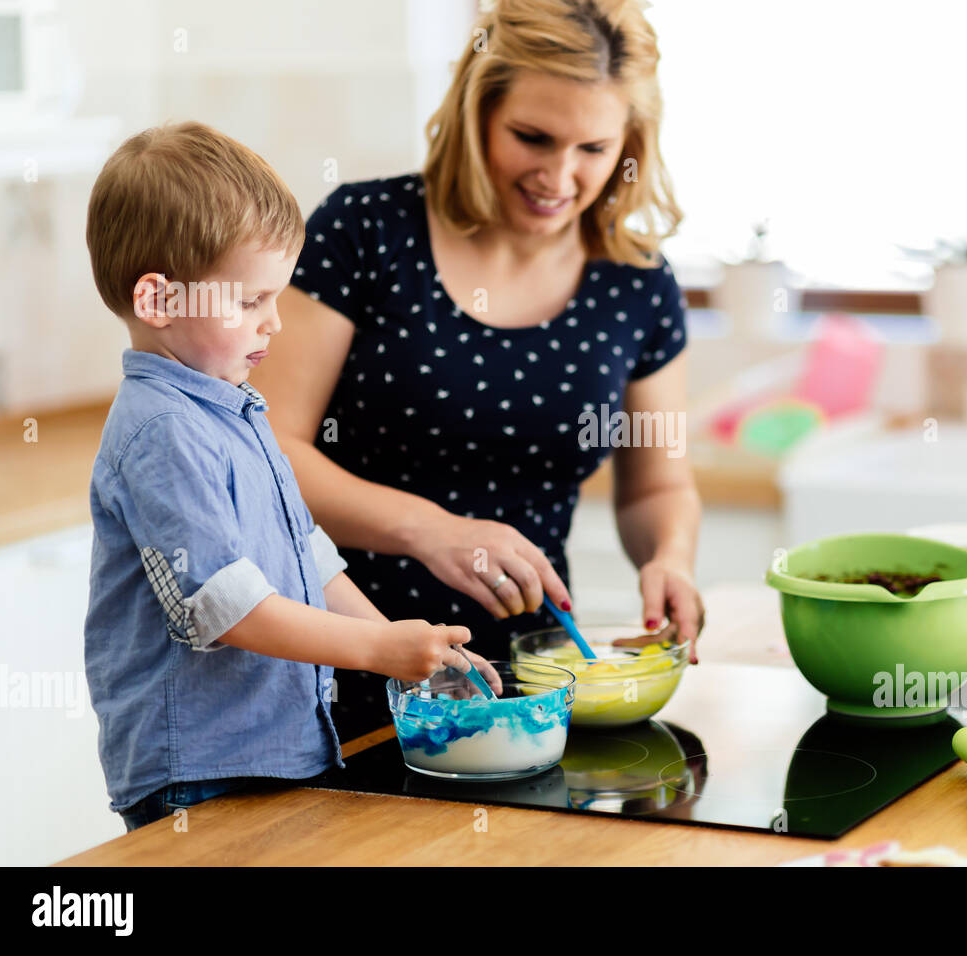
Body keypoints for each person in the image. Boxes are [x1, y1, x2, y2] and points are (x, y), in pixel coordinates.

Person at [255, 0, 704, 744]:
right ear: (477, 112)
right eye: (532, 137)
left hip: (517, 685)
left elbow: (657, 485)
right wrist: (431, 530)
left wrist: (670, 559)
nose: (559, 176)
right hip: (331, 659)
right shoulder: (365, 232)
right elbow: (267, 451)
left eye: (593, 148)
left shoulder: (638, 284)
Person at [82, 122, 497, 831]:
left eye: (277, 296)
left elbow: (307, 555)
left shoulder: (233, 407)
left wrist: (403, 645)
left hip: (280, 753)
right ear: (156, 302)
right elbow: (224, 608)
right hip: (201, 772)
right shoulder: (163, 431)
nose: (273, 322)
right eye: (249, 302)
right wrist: (375, 650)